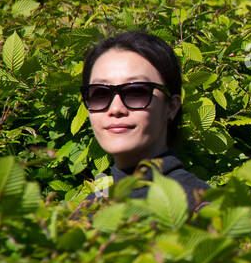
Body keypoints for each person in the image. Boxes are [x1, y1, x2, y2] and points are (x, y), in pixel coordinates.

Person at [77, 30, 209, 215]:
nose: (116, 109)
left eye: (136, 92)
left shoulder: (202, 208)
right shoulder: (87, 212)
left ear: (171, 106)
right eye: (100, 94)